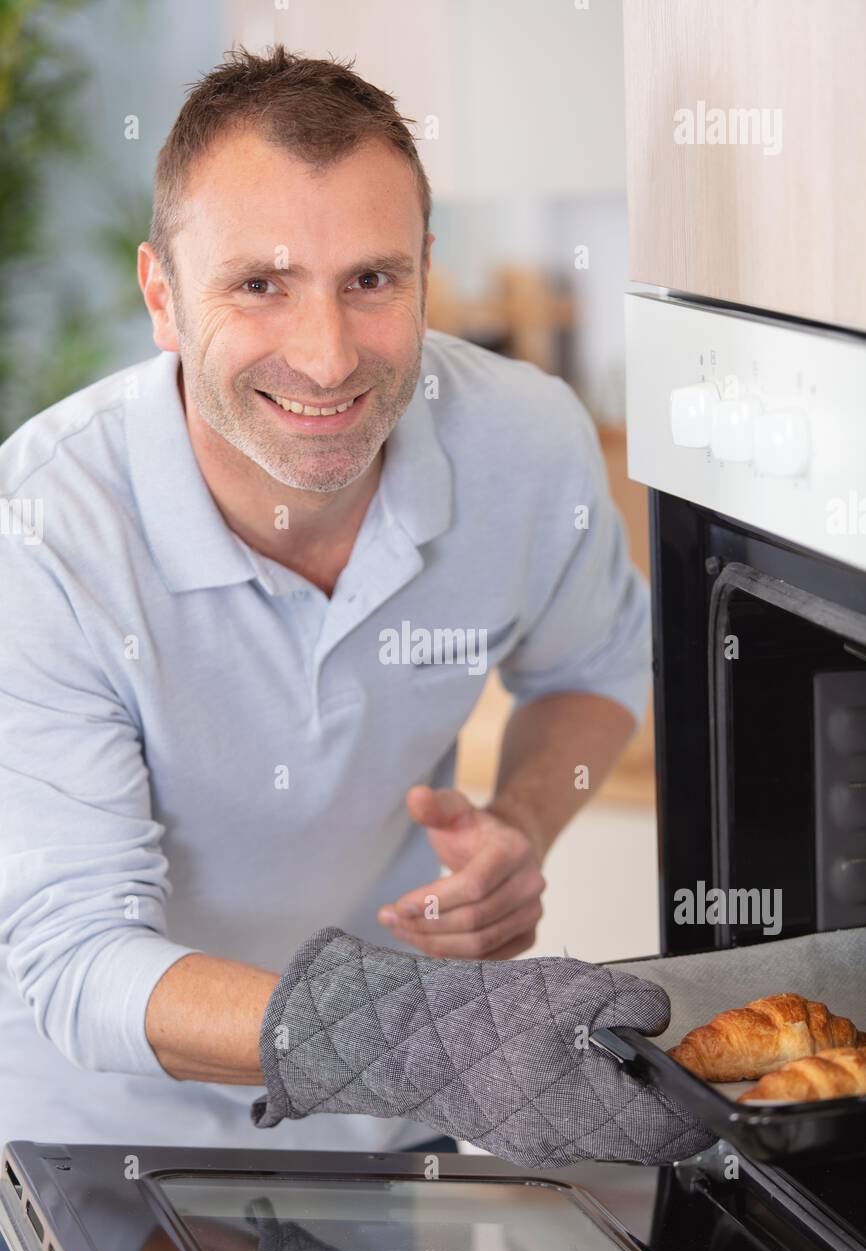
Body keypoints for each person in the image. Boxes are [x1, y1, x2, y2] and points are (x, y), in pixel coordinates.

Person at [0, 46, 661, 1160]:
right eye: (258, 284)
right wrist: (426, 1038)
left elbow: (591, 670)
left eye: (370, 280)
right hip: (86, 1136)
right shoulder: (44, 534)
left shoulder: (526, 440)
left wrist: (519, 824)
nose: (325, 356)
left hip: (382, 1128)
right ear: (161, 294)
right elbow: (79, 962)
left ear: (423, 272)